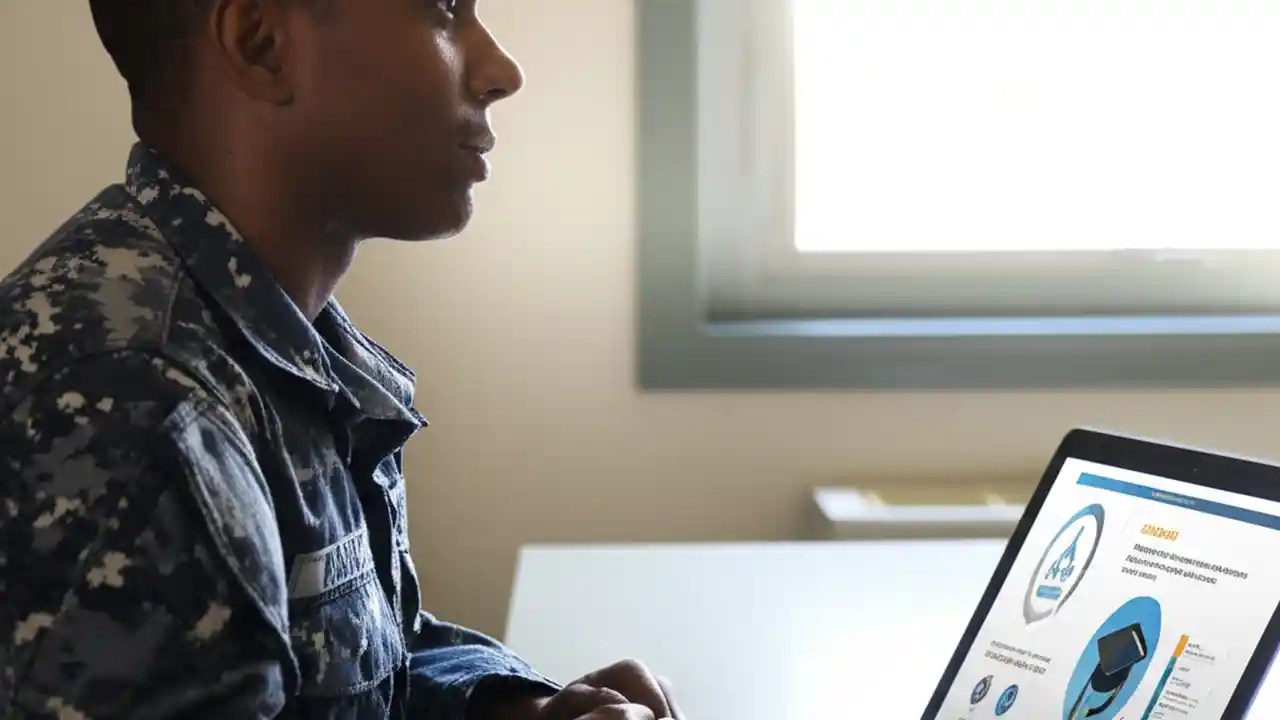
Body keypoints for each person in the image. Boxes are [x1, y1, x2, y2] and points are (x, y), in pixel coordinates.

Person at [0, 1, 685, 719]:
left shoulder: (270, 336)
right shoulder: (138, 409)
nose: (501, 72)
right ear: (262, 44)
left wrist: (517, 711)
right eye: (446, 9)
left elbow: (355, 664)